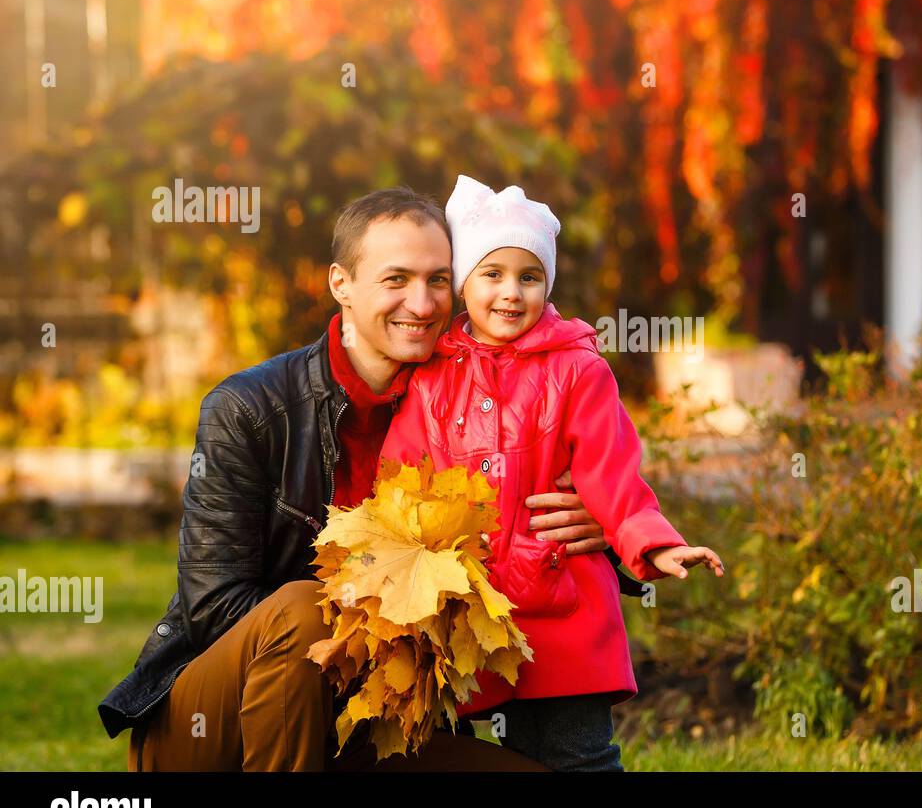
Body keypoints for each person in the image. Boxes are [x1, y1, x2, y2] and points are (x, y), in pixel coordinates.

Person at [97, 187, 624, 771]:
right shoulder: (250, 409)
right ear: (340, 284)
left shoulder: (461, 400)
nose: (421, 304)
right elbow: (212, 605)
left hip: (359, 721)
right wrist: (369, 624)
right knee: (305, 609)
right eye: (395, 279)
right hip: (215, 729)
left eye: (439, 280)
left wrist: (597, 523)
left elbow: (575, 470)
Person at [379, 175, 725, 771]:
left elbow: (612, 474)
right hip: (473, 609)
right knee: (495, 759)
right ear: (464, 283)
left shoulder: (578, 371)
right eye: (493, 274)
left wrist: (655, 544)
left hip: (567, 608)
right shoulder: (433, 378)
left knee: (576, 757)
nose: (511, 293)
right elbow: (399, 478)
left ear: (547, 284)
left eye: (529, 276)